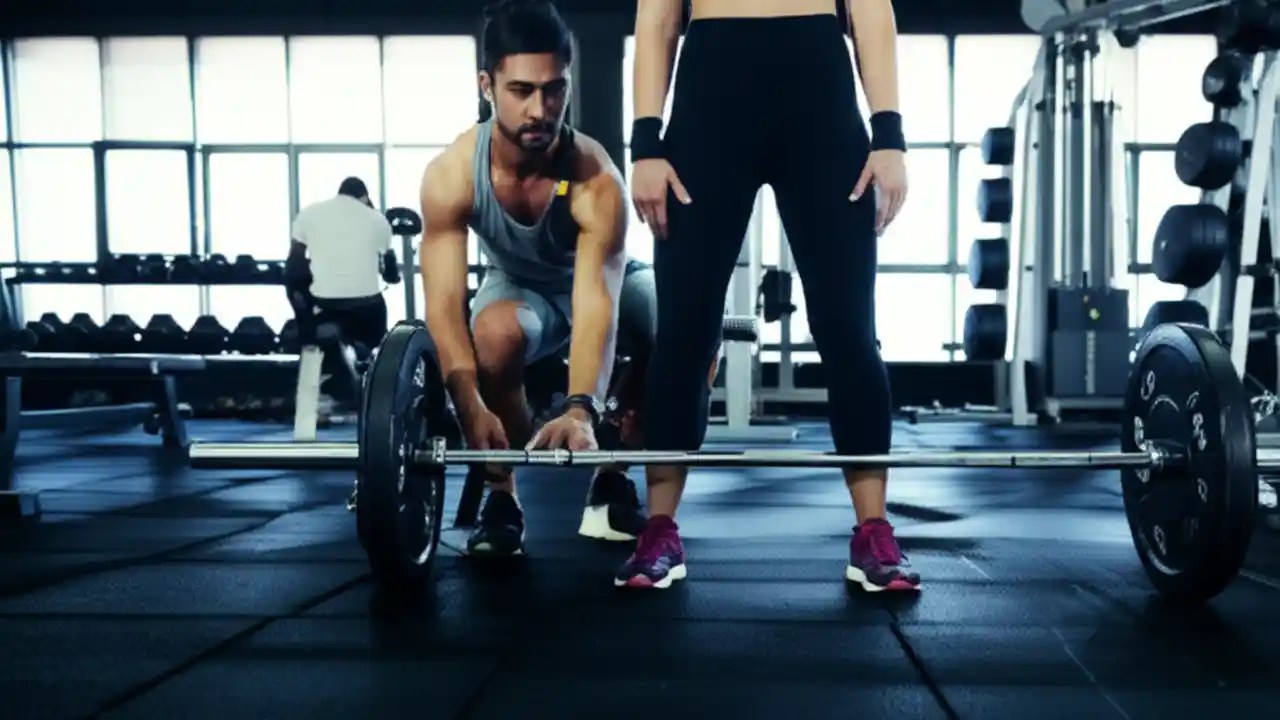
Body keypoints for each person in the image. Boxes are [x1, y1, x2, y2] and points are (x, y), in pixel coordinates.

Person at [621, 0, 916, 592]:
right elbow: (656, 19)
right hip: (710, 95)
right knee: (684, 331)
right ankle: (659, 527)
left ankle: (874, 532)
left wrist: (890, 134)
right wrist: (645, 143)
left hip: (818, 91)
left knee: (848, 330)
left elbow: (871, 13)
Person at [419, 0, 664, 557]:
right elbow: (444, 305)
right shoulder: (453, 173)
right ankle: (502, 495)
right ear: (487, 84)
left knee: (685, 329)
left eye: (554, 89)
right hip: (520, 286)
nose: (541, 108)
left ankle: (612, 475)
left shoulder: (594, 177)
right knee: (494, 336)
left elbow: (598, 298)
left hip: (606, 280)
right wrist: (468, 403)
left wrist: (582, 406)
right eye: (522, 90)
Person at [285, 176, 398, 354]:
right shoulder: (377, 219)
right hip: (365, 306)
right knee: (376, 320)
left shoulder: (309, 213)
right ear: (365, 197)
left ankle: (314, 353)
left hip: (323, 303)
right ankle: (367, 357)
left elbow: (294, 264)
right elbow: (390, 270)